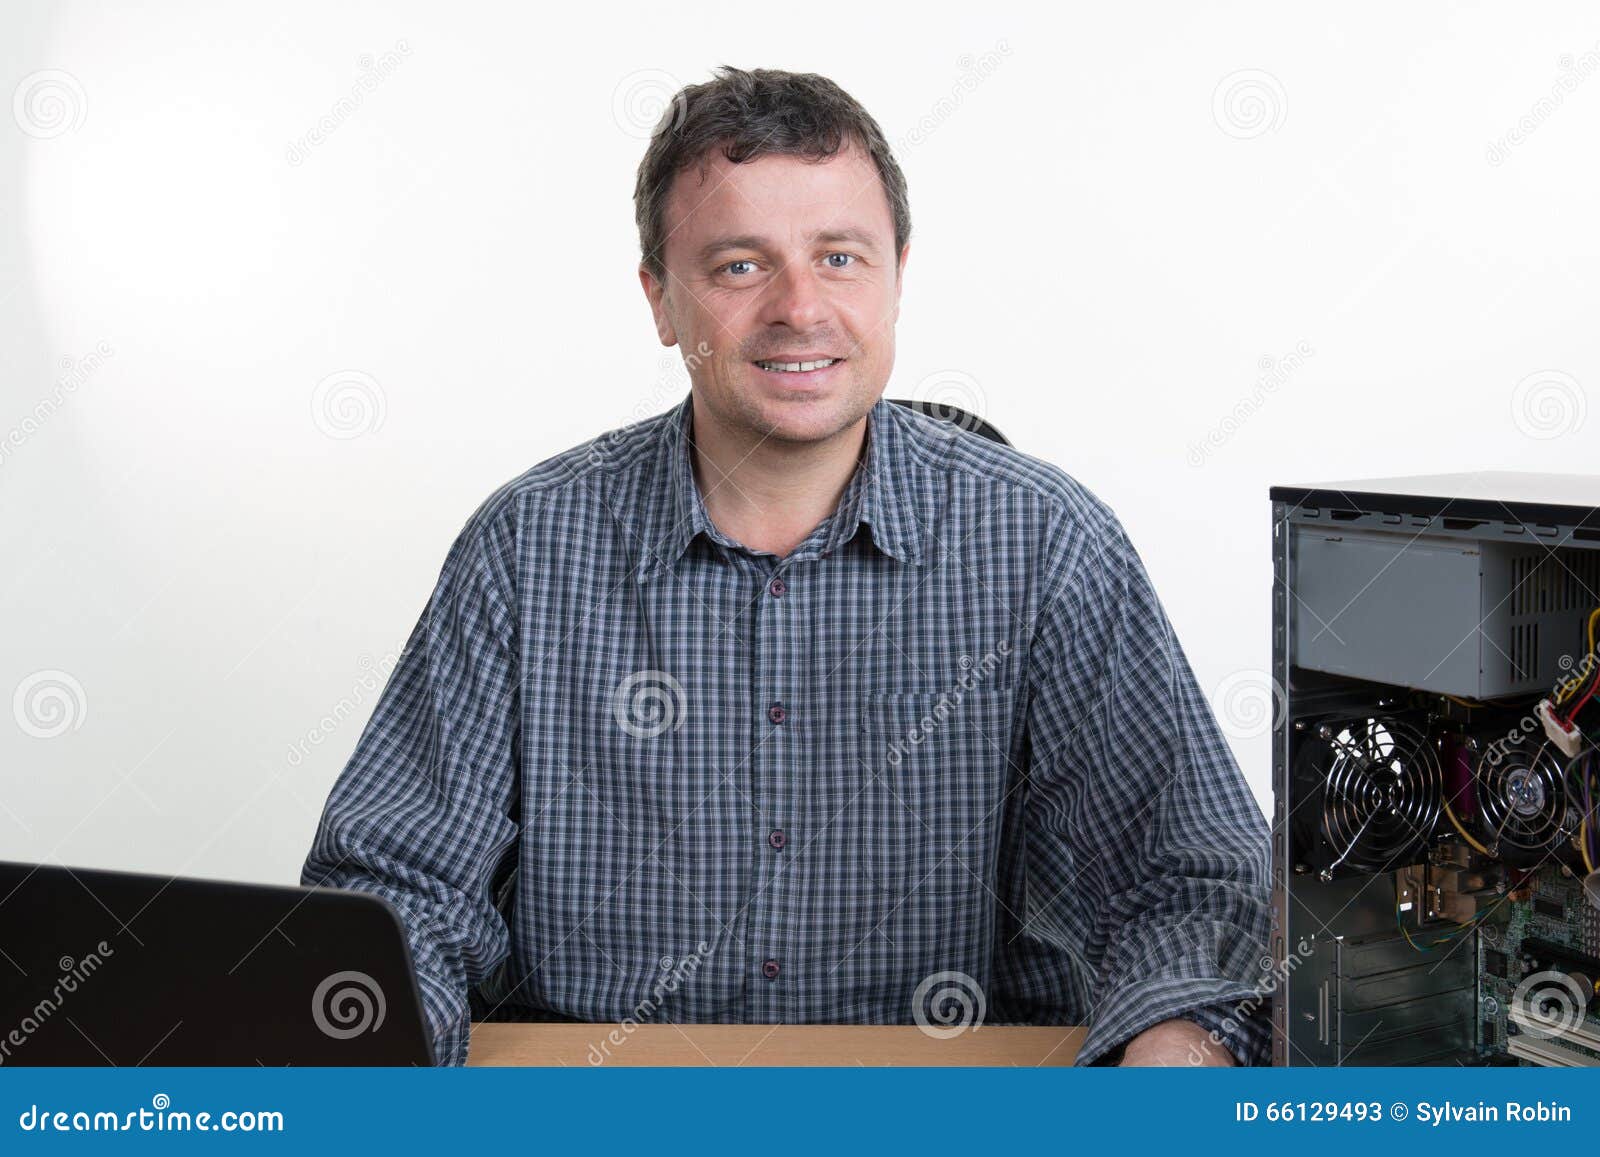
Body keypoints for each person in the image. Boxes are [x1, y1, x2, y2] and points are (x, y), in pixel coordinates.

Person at [302, 65, 1272, 1067]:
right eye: (738, 265)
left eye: (840, 257)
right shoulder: (525, 549)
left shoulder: (1046, 544)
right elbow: (391, 886)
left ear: (897, 271)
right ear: (661, 299)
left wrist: (1175, 1049)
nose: (800, 307)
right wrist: (386, 1062)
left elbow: (1192, 882)